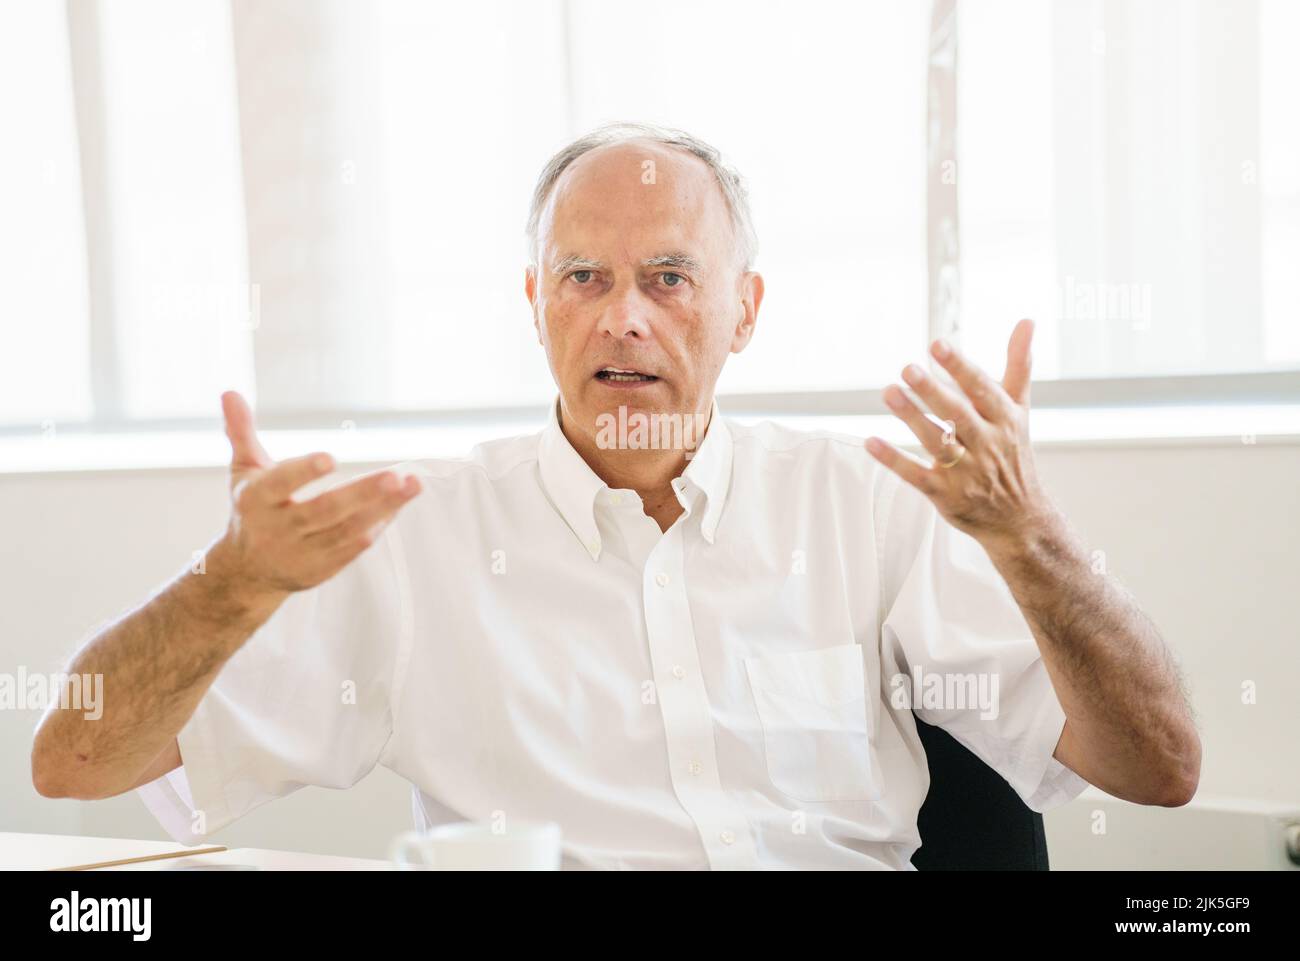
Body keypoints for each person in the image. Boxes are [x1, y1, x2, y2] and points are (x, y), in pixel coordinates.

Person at [32, 122, 1199, 869]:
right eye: (584, 277)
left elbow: (1159, 768)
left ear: (745, 310)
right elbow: (75, 762)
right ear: (535, 300)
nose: (623, 316)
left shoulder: (871, 503)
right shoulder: (411, 540)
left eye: (670, 278)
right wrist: (226, 587)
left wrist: (1032, 541)